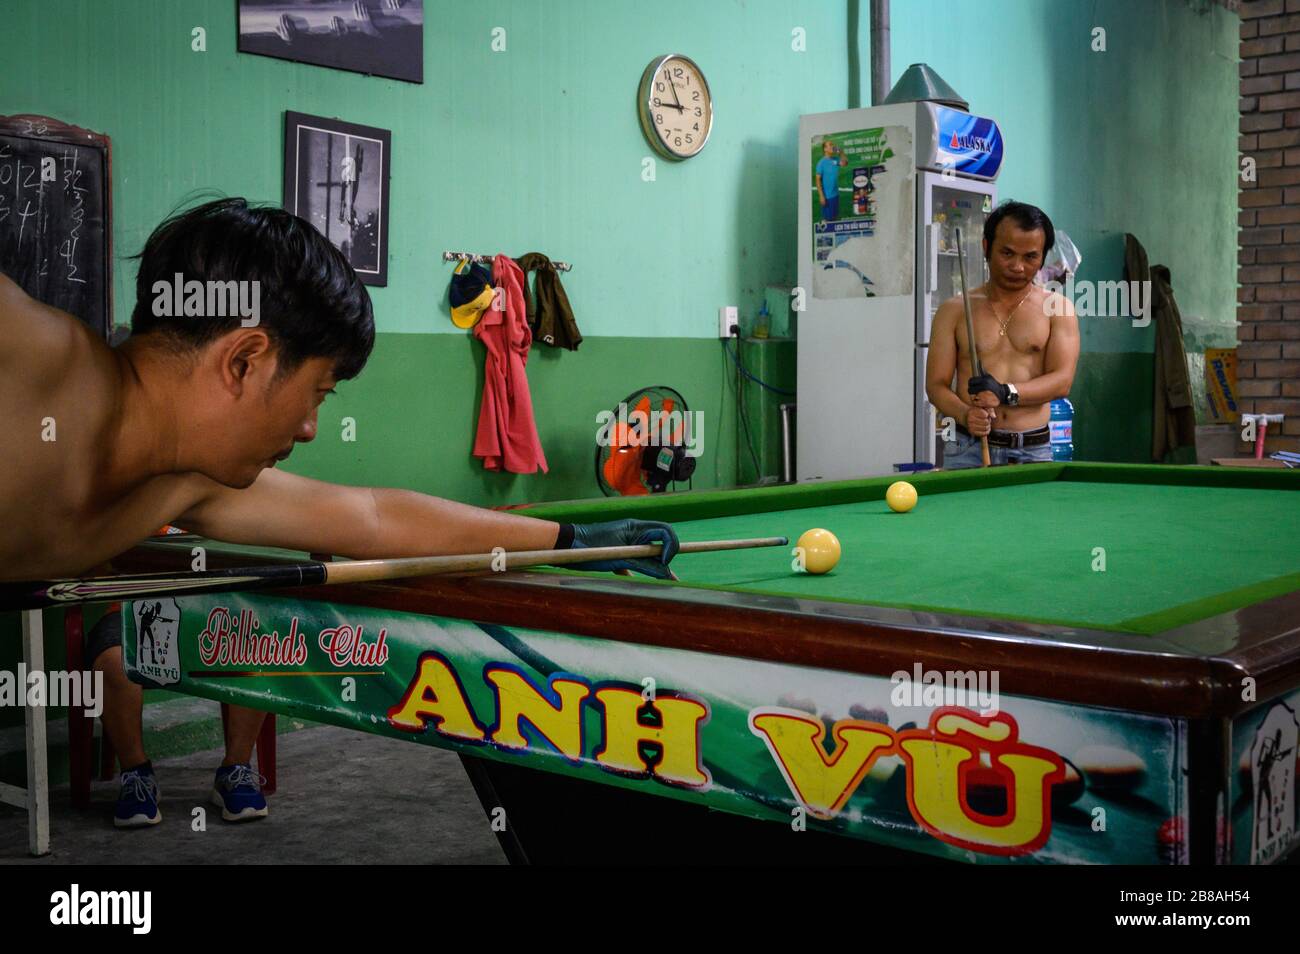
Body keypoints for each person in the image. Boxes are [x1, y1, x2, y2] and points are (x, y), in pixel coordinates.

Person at [0, 197, 679, 827]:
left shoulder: (184, 481)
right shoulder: (33, 355)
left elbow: (374, 519)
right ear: (244, 360)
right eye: (317, 392)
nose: (309, 430)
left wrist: (572, 539)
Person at [926, 201, 1080, 468]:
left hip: (1031, 450)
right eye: (1007, 253)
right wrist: (965, 414)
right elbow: (936, 385)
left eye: (1030, 257)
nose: (1018, 267)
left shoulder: (1058, 309)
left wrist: (1006, 392)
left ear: (1042, 257)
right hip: (968, 448)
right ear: (987, 247)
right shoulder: (954, 310)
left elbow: (1062, 382)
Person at [815, 140, 847, 222]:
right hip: (827, 197)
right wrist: (821, 196)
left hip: (835, 194)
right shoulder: (821, 163)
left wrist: (841, 152)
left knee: (835, 218)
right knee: (827, 220)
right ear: (825, 149)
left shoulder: (835, 159)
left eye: (832, 144)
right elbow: (818, 180)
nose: (832, 146)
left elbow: (845, 163)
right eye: (830, 145)